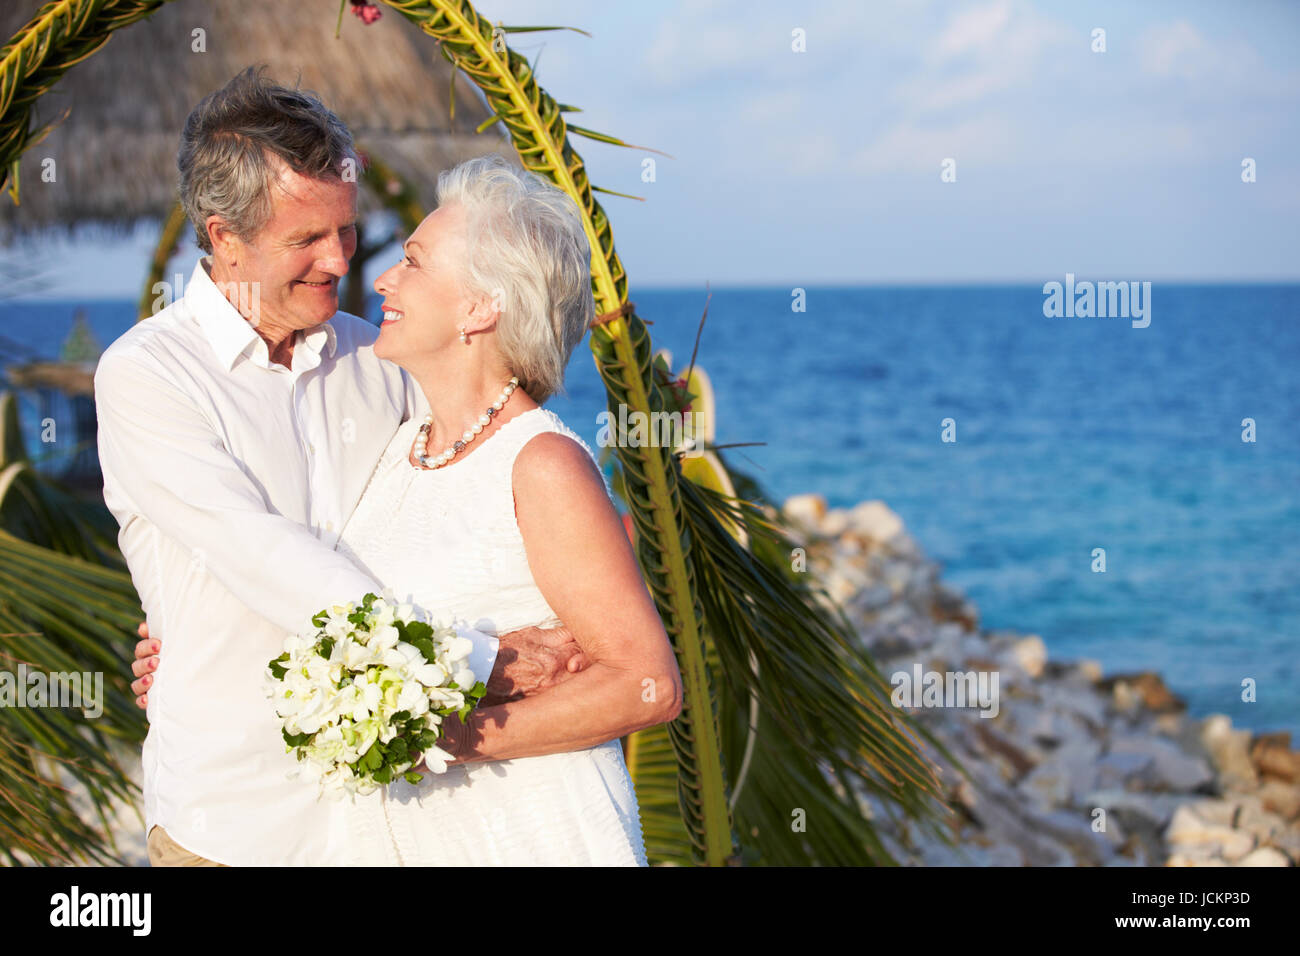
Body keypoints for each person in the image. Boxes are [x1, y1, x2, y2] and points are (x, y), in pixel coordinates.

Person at [97, 67, 595, 867]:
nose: (338, 260)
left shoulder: (386, 356)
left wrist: (594, 593)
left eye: (347, 231)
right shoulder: (148, 374)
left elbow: (496, 473)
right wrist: (478, 661)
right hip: (236, 824)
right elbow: (255, 552)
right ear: (223, 237)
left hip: (395, 820)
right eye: (305, 240)